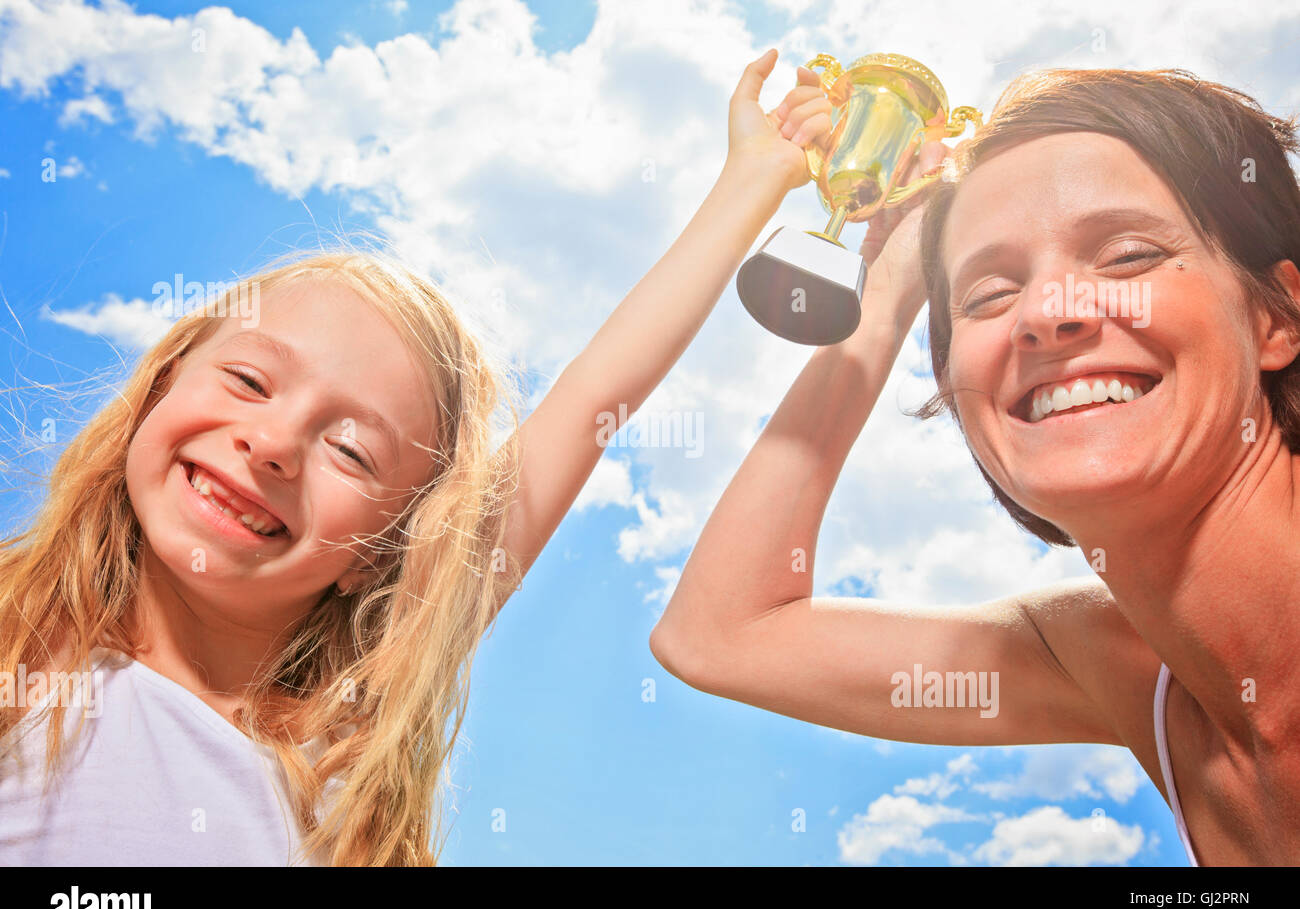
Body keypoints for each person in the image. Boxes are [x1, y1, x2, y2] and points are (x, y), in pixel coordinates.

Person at [0, 50, 816, 867]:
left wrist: (754, 179)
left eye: (351, 451)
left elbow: (596, 392)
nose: (274, 444)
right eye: (249, 380)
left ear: (381, 554)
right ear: (160, 385)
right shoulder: (18, 649)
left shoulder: (338, 763)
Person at [651, 65, 1300, 866]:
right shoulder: (1121, 667)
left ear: (1276, 318)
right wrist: (889, 287)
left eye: (1129, 256)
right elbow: (719, 634)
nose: (1047, 314)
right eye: (989, 296)